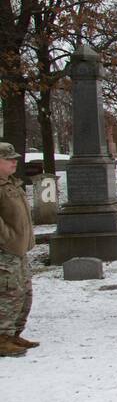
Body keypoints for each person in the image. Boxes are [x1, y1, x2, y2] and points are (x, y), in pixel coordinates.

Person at [0, 141, 36, 357]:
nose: (15, 162)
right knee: (8, 293)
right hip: (6, 250)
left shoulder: (11, 184)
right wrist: (8, 238)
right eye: (9, 159)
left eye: (15, 159)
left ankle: (13, 333)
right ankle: (2, 338)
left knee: (23, 293)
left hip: (19, 249)